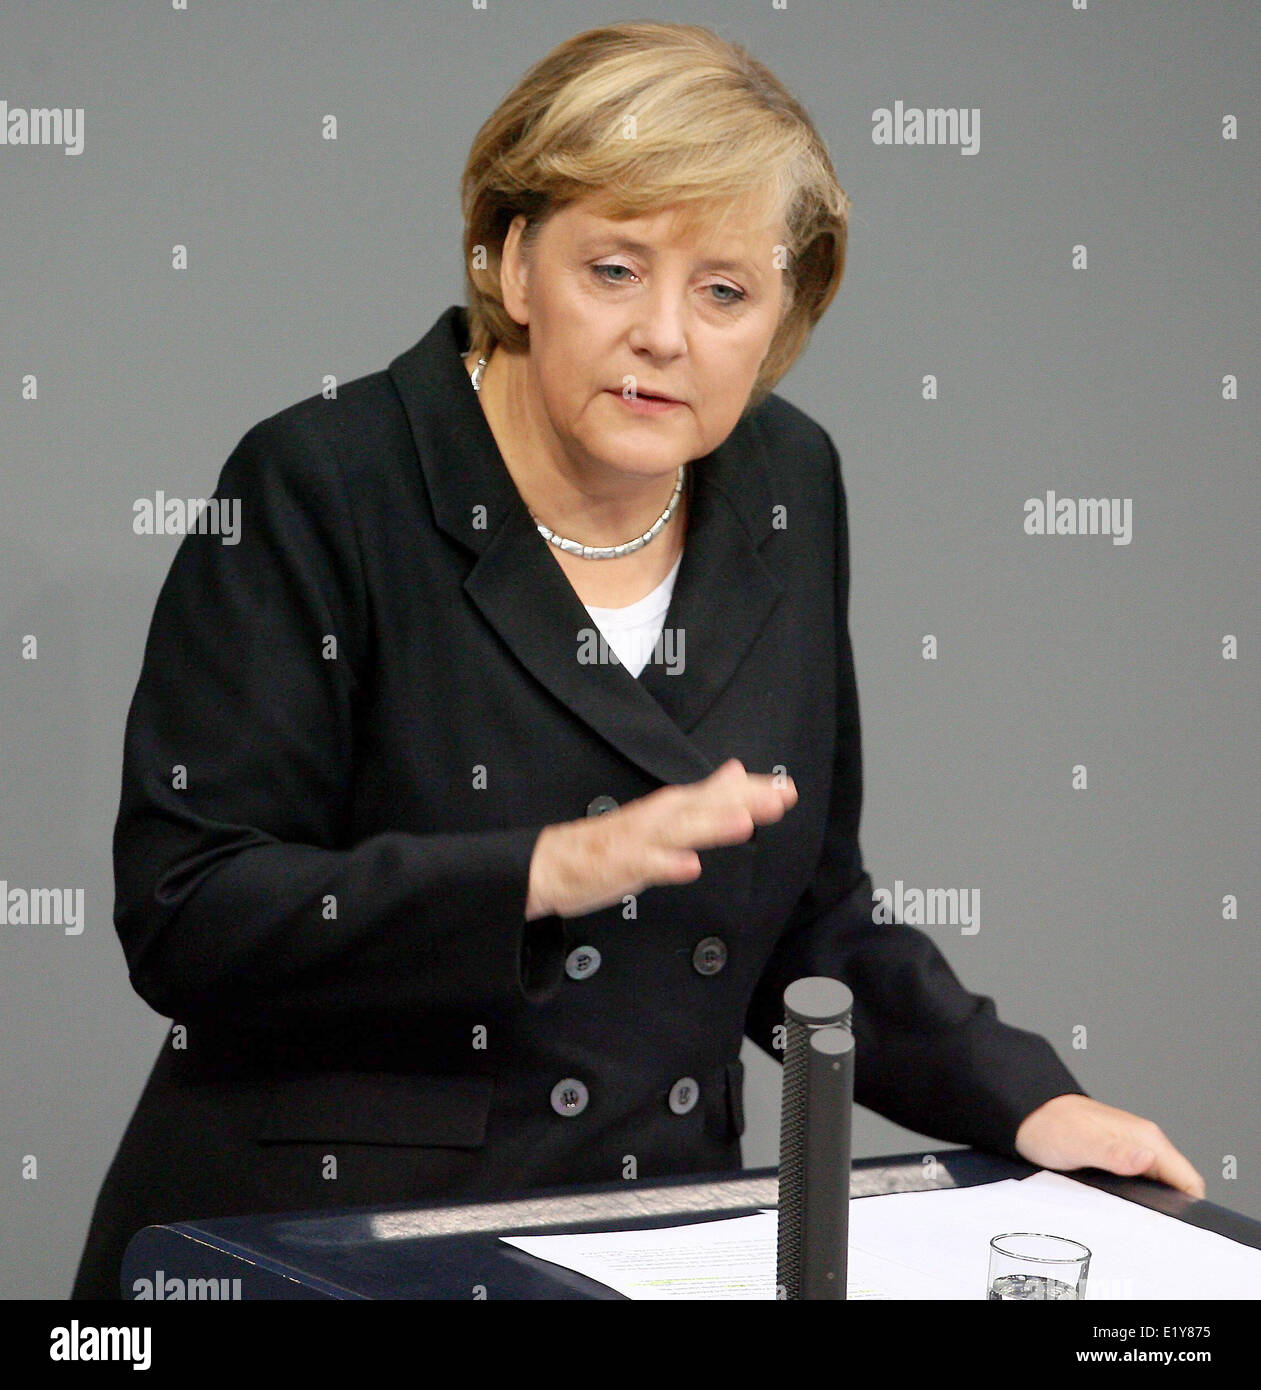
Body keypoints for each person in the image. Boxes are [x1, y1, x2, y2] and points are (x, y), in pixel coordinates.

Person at [71, 21, 1203, 1301]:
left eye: (725, 291)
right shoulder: (324, 480)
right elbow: (190, 908)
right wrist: (544, 871)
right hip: (331, 1247)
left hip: (651, 1240)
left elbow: (810, 915)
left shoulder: (787, 482)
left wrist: (1022, 1099)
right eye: (614, 269)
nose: (666, 333)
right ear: (509, 262)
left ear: (783, 318)